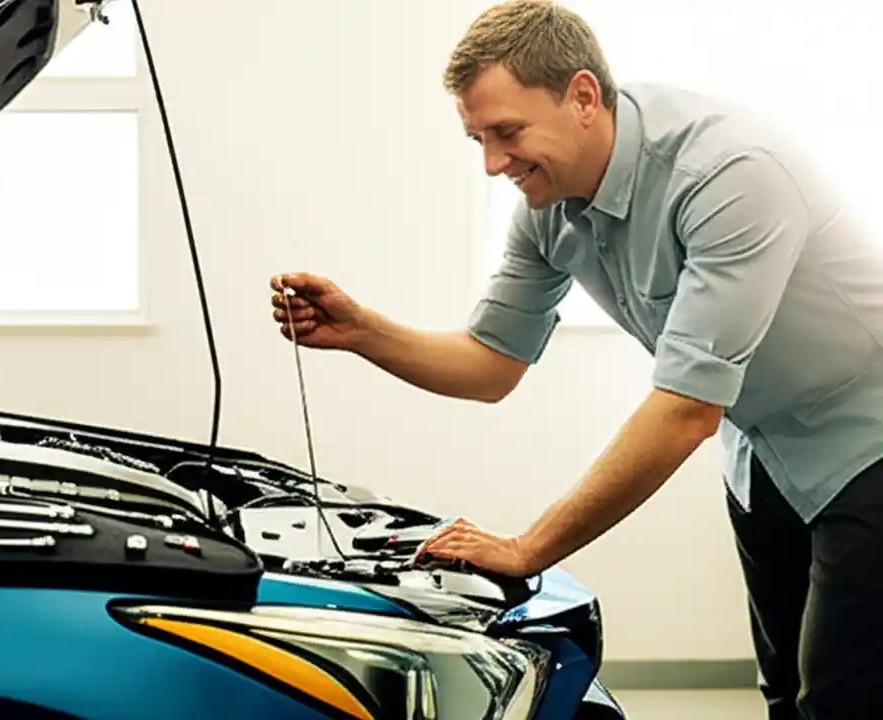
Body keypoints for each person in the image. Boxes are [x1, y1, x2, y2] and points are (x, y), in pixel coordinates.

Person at [268, 1, 883, 718]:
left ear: (583, 97)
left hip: (865, 441)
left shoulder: (728, 176)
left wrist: (529, 547)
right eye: (478, 139)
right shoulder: (547, 205)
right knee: (784, 691)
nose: (493, 163)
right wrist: (361, 332)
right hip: (764, 454)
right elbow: (491, 363)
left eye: (507, 133)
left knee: (842, 698)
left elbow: (685, 410)